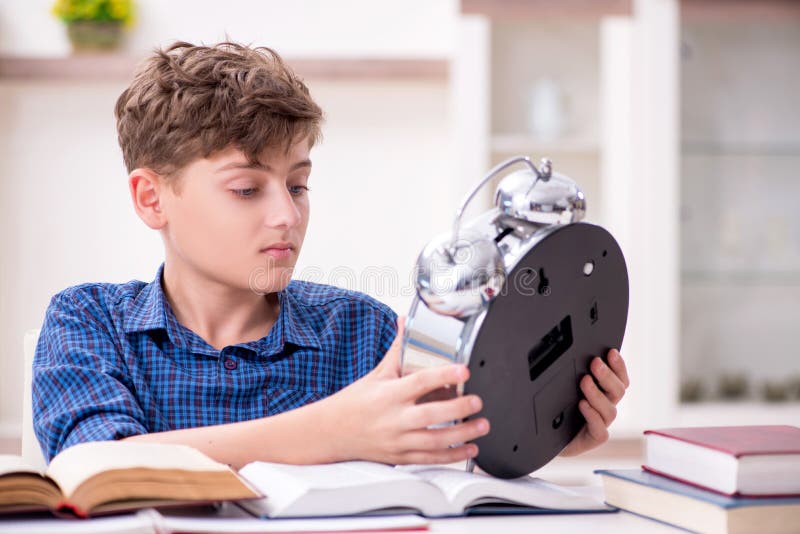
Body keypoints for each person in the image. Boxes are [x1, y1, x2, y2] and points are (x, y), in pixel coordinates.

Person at [32, 41, 630, 469]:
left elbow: (455, 460)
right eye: (246, 189)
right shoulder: (89, 323)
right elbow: (97, 468)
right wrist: (335, 430)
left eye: (297, 185)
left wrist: (541, 432)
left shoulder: (364, 335)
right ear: (151, 198)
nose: (287, 217)